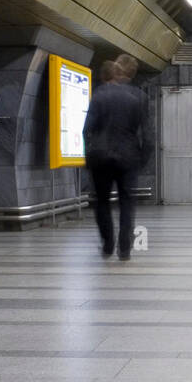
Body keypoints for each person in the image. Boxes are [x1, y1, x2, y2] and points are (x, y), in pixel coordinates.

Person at [83, 55, 151, 260]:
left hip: (101, 157)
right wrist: (142, 159)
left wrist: (89, 156)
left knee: (102, 201)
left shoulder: (99, 94)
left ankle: (107, 244)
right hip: (128, 157)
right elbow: (148, 134)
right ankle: (124, 248)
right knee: (127, 202)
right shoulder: (138, 96)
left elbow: (87, 129)